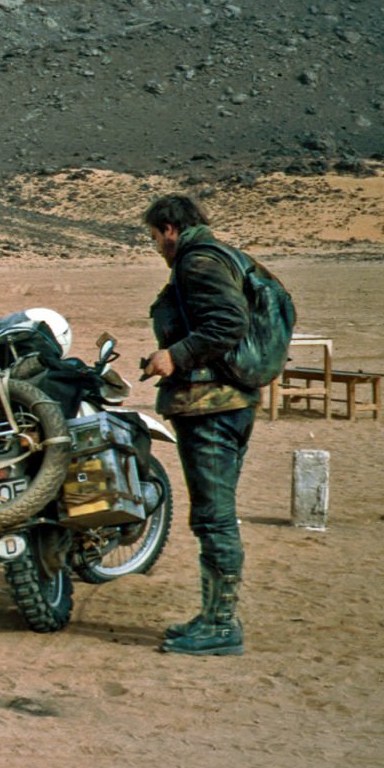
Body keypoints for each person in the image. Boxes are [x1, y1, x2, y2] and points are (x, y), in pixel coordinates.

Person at [143, 195, 256, 656]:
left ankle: (220, 625)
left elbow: (229, 321)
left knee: (214, 517)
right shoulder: (218, 256)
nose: (156, 246)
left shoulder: (198, 262)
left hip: (211, 407)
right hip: (225, 402)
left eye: (155, 237)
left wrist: (176, 355)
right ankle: (213, 615)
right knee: (215, 515)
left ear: (170, 229)